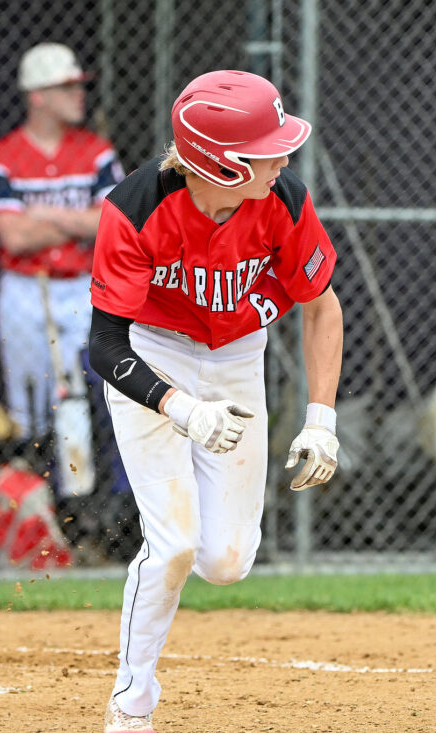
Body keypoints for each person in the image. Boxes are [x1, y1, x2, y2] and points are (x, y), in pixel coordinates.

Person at [88, 70, 344, 732]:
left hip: (235, 354)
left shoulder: (282, 199)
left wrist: (322, 419)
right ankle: (131, 700)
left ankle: (153, 642)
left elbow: (321, 307)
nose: (283, 160)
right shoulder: (137, 207)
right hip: (152, 353)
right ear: (220, 167)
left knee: (226, 559)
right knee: (173, 543)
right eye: (265, 153)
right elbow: (105, 347)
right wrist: (180, 408)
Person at [0, 42, 127, 535]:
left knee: (82, 397)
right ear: (37, 95)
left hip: (83, 286)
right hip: (25, 289)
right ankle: (39, 513)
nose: (77, 94)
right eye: (65, 86)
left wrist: (44, 214)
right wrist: (75, 221)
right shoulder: (2, 156)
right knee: (30, 404)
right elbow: (13, 237)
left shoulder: (95, 151)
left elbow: (110, 223)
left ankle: (83, 512)